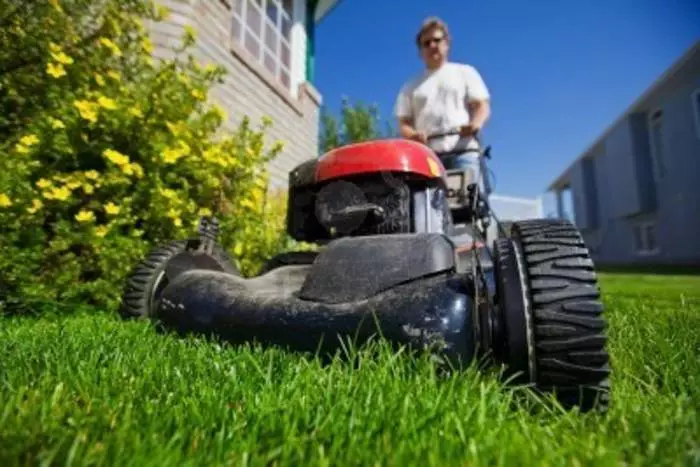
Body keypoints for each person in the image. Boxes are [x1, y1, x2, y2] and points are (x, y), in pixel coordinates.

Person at [394, 17, 491, 179]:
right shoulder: (410, 86)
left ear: (446, 44)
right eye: (426, 43)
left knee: (468, 201)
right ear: (420, 51)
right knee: (428, 204)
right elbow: (403, 122)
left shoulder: (464, 72)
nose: (432, 45)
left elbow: (482, 105)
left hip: (464, 152)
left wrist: (475, 124)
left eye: (437, 40)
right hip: (427, 159)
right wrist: (412, 135)